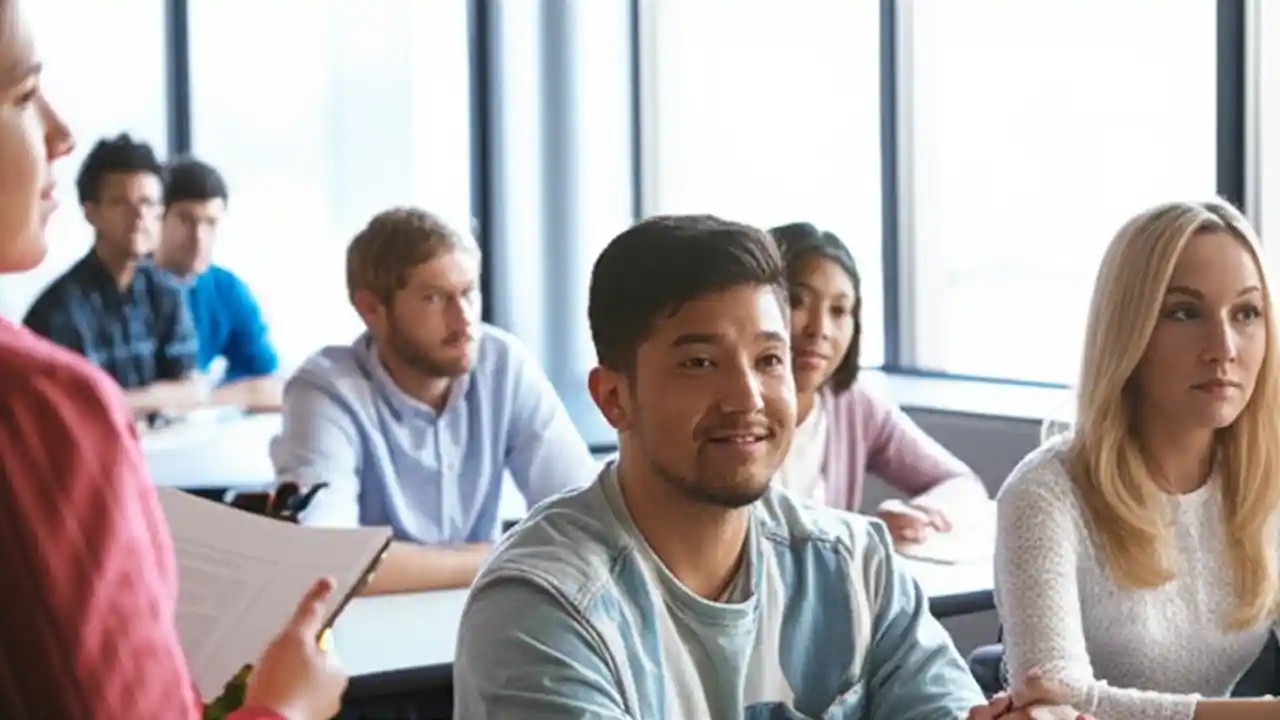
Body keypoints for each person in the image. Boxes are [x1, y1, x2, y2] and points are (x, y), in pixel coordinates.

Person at [453, 214, 985, 718]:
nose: (747, 399)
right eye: (700, 363)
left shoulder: (857, 567)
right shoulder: (540, 608)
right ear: (615, 398)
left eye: (769, 360)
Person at [0, 0, 345, 716]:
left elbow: (218, 384)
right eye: (24, 95)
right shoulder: (43, 401)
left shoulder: (181, 296)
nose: (59, 133)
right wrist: (286, 708)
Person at [975, 200, 1280, 720]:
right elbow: (1056, 703)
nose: (1224, 346)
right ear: (1128, 329)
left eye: (1246, 313)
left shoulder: (1266, 479)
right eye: (1184, 312)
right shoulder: (1046, 493)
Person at [271, 207, 597, 593]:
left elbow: (587, 520)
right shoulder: (327, 389)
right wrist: (508, 556)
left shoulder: (502, 363)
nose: (464, 322)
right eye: (434, 298)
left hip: (485, 615)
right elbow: (328, 562)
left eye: (468, 293)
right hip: (375, 635)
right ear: (371, 309)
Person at [770, 222, 988, 544]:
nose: (820, 329)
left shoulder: (854, 405)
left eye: (839, 310)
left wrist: (917, 515)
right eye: (797, 301)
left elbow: (960, 484)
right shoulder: (725, 408)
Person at [21, 131, 204, 414]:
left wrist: (119, 402)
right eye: (121, 203)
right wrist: (154, 400)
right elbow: (59, 409)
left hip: (163, 451)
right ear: (90, 212)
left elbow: (192, 391)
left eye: (147, 203)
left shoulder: (165, 293)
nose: (138, 218)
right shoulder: (57, 310)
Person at [157, 156, 282, 409]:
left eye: (210, 223)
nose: (198, 237)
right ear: (157, 218)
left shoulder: (224, 289)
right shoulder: (131, 288)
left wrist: (200, 399)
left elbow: (269, 385)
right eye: (185, 220)